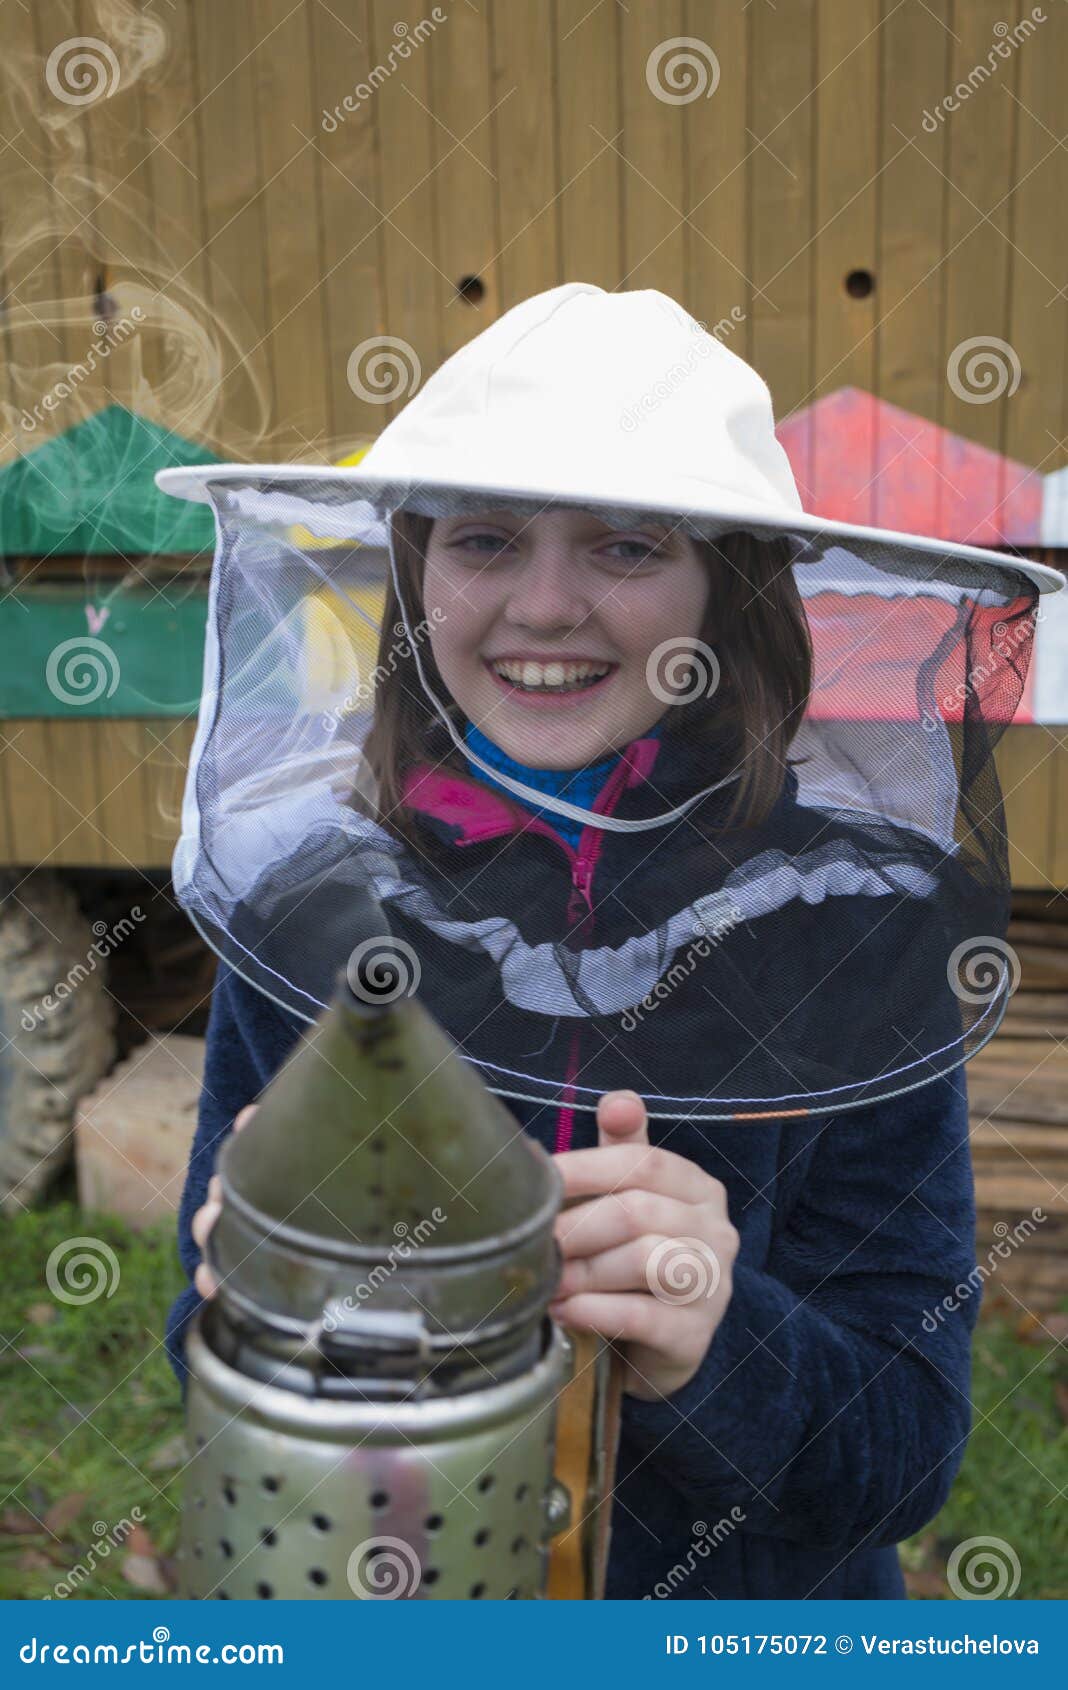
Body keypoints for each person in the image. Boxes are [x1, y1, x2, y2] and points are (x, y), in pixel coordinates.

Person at [160, 282, 1058, 1599]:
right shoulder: (324, 908)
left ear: (726, 586)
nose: (545, 604)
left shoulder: (857, 937)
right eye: (484, 540)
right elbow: (202, 1349)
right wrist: (263, 1284)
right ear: (414, 568)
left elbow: (906, 1447)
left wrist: (716, 1332)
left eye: (627, 548)